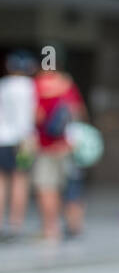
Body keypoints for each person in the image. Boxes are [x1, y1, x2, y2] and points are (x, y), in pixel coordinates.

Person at [32, 68, 86, 242]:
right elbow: (79, 112)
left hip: (45, 147)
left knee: (47, 188)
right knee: (72, 188)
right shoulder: (66, 84)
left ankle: (51, 229)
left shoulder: (37, 86)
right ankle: (74, 226)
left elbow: (36, 117)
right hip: (68, 147)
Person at [0, 51, 37, 240]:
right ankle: (15, 225)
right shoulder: (30, 87)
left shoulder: (3, 86)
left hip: (2, 139)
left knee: (1, 183)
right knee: (20, 182)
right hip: (22, 141)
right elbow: (29, 117)